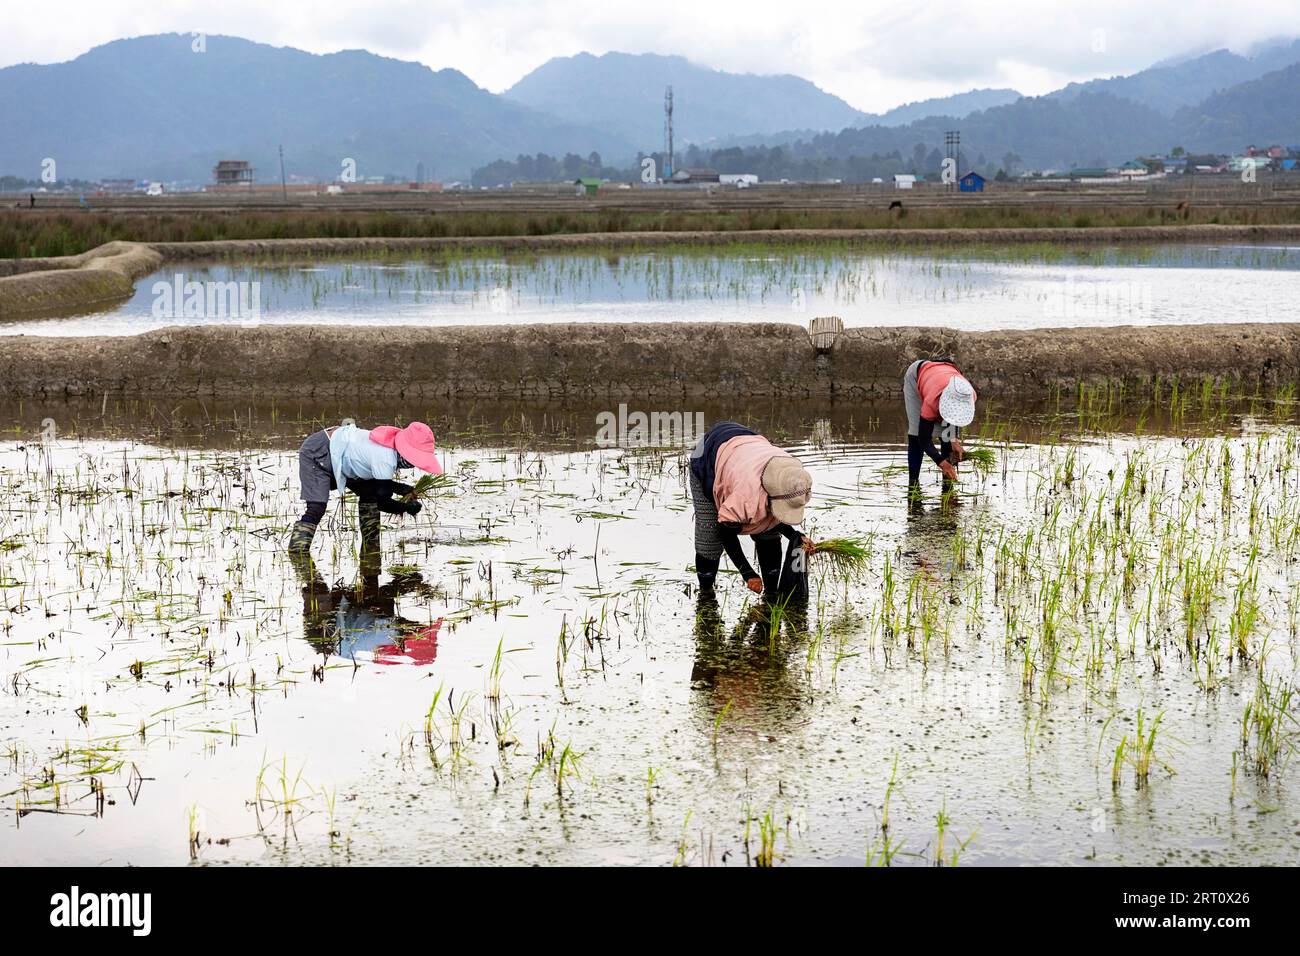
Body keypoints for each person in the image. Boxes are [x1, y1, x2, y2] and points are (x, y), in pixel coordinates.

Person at [688, 421, 815, 596]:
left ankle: (771, 593)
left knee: (769, 532)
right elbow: (726, 533)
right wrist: (748, 574)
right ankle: (706, 593)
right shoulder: (746, 495)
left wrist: (795, 535)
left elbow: (773, 518)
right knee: (709, 538)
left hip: (747, 449)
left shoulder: (792, 477)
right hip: (708, 457)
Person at [287, 420, 442, 554]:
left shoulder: (390, 447)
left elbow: (381, 486)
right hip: (319, 451)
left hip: (344, 454)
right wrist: (406, 508)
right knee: (317, 507)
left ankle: (371, 546)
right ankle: (297, 552)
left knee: (369, 494)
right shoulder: (385, 457)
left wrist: (403, 489)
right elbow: (383, 502)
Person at [902, 359, 977, 498]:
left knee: (947, 438)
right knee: (914, 434)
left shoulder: (969, 395)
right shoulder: (932, 401)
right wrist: (941, 462)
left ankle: (947, 485)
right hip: (917, 376)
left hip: (941, 376)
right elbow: (923, 438)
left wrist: (954, 439)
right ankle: (913, 483)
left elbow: (954, 419)